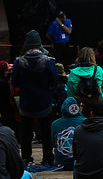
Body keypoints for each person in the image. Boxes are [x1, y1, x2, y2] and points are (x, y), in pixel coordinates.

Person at [10, 29, 59, 167]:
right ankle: (48, 158)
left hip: (26, 103)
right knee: (46, 132)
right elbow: (55, 80)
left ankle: (26, 158)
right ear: (39, 44)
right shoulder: (48, 61)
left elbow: (15, 82)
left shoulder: (19, 62)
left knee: (25, 134)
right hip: (44, 102)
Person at [49, 96, 85, 170]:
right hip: (81, 163)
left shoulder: (55, 124)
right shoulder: (86, 122)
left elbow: (53, 143)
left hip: (61, 163)